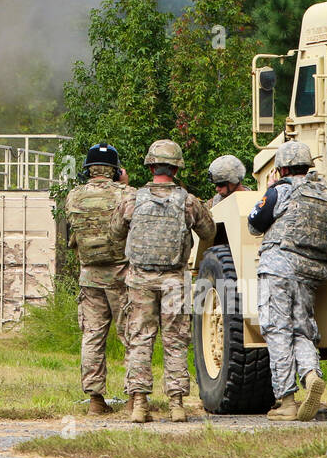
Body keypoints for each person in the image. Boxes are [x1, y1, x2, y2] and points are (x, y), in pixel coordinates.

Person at [111, 139, 215, 423]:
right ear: (176, 168)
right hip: (175, 279)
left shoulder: (132, 199)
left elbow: (116, 233)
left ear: (151, 165)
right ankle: (177, 405)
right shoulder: (188, 201)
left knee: (140, 340)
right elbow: (209, 232)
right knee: (176, 341)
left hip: (140, 279)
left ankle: (140, 404)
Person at [247, 140, 327, 421]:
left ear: (282, 168)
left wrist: (271, 189)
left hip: (278, 267)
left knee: (277, 330)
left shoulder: (281, 191)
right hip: (310, 272)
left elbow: (254, 224)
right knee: (302, 330)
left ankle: (286, 400)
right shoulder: (326, 194)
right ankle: (311, 375)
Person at [64, 142, 136, 415]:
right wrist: (125, 185)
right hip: (122, 274)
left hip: (89, 275)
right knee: (131, 335)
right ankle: (133, 399)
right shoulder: (128, 194)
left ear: (88, 170)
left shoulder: (73, 196)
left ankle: (95, 401)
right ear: (116, 171)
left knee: (92, 336)